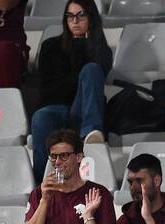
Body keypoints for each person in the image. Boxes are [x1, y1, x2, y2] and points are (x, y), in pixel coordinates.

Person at [30, 0, 112, 179]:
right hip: (56, 108)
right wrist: (77, 81)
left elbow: (95, 78)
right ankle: (40, 183)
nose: (75, 21)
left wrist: (84, 44)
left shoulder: (99, 49)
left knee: (91, 70)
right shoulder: (50, 47)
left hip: (83, 110)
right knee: (40, 116)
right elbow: (46, 90)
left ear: (91, 18)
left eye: (80, 15)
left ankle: (91, 134)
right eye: (70, 16)